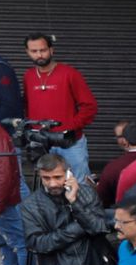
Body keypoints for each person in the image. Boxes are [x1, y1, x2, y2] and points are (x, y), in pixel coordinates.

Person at [20, 34, 96, 179]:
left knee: (80, 184)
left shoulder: (69, 73)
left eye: (43, 50)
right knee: (49, 185)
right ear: (27, 52)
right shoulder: (28, 76)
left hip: (70, 143)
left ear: (51, 50)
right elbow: (27, 106)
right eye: (34, 51)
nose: (39, 54)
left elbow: (89, 106)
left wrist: (70, 127)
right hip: (41, 142)